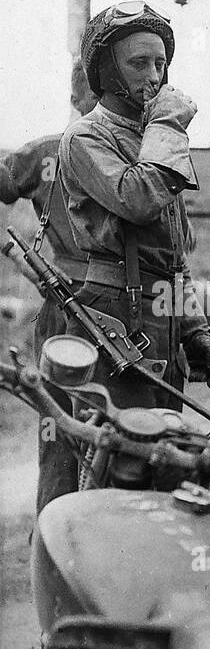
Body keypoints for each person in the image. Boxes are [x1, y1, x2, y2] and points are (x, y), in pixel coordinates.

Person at [60, 2, 210, 423]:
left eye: (160, 64)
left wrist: (194, 328)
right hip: (115, 313)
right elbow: (136, 199)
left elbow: (170, 256)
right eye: (138, 63)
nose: (154, 77)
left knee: (167, 447)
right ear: (107, 72)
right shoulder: (86, 136)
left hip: (159, 314)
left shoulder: (153, 138)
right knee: (122, 454)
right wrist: (168, 126)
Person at [1, 60, 99, 512]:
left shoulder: (143, 154)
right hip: (63, 305)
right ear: (76, 100)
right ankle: (56, 536)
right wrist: (13, 254)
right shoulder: (46, 153)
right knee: (58, 426)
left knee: (120, 433)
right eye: (90, 99)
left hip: (127, 313)